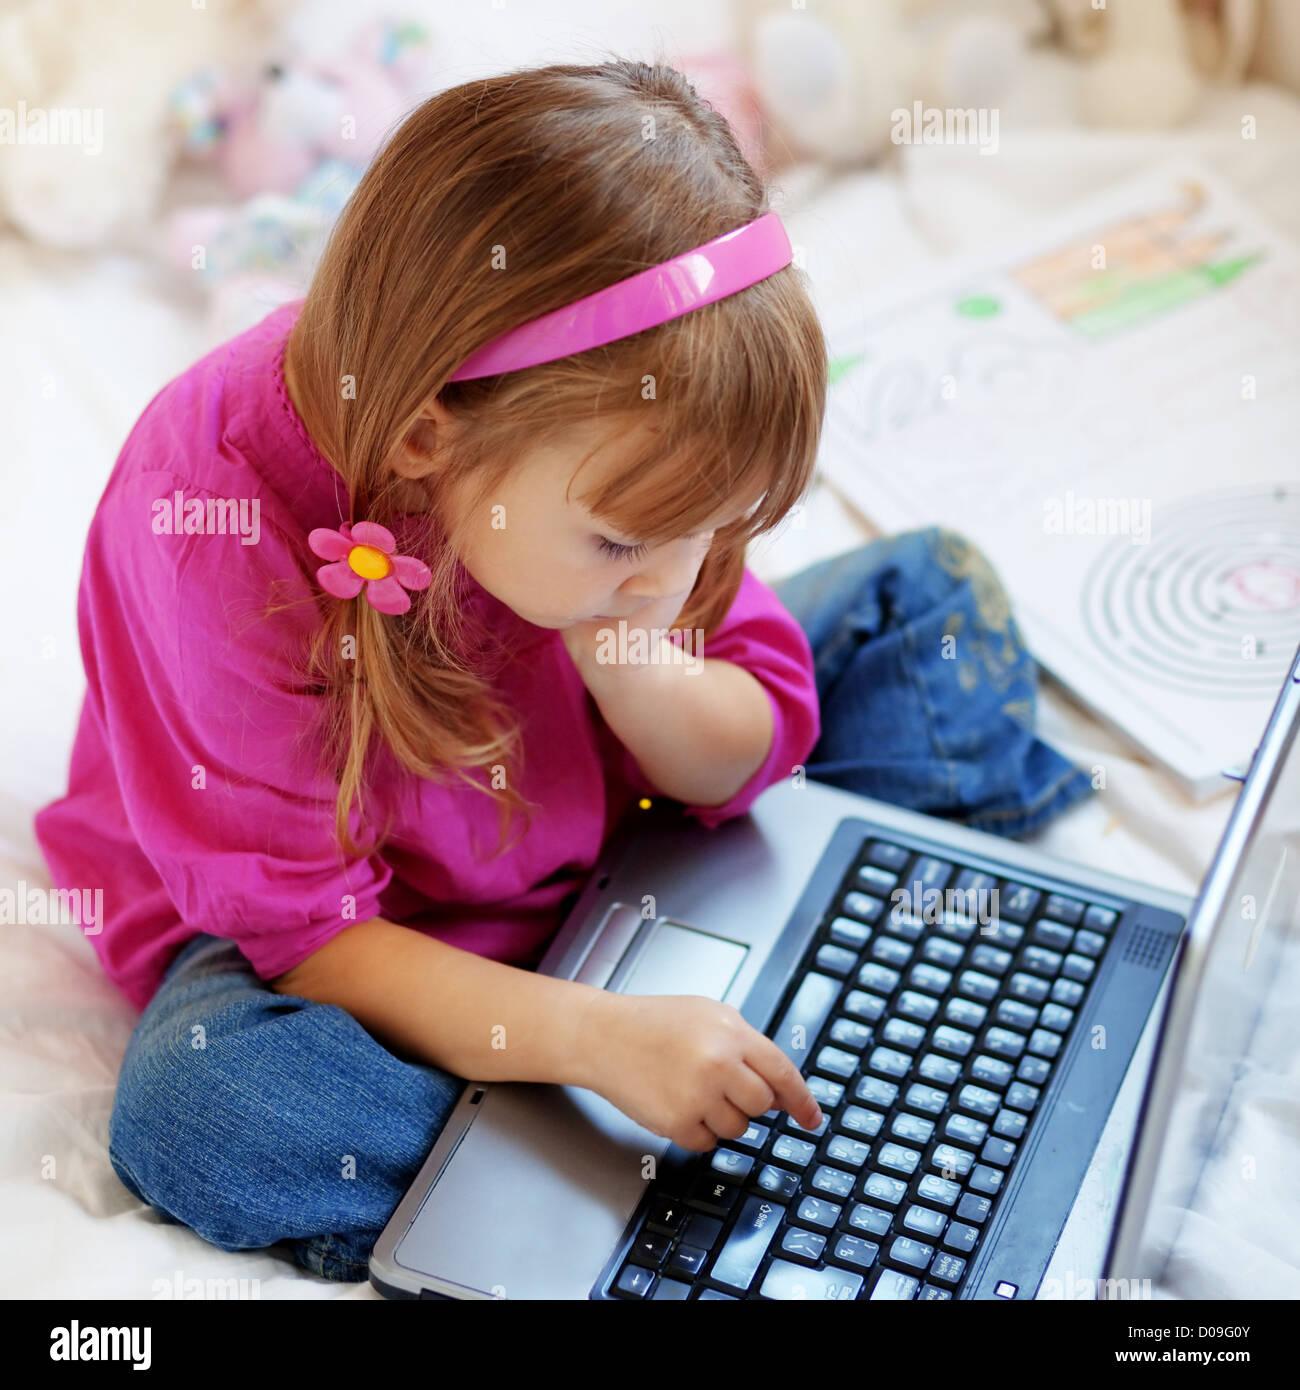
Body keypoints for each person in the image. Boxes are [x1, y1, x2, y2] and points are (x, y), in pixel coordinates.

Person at [34, 60, 1090, 1284]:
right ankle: (589, 1162)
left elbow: (734, 742)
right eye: (628, 541)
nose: (677, 575)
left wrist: (625, 651)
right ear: (430, 434)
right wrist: (598, 1040)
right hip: (363, 939)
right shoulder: (206, 509)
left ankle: (837, 959)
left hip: (601, 811)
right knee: (207, 1107)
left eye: (714, 528)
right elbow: (306, 933)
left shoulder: (615, 490)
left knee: (930, 596)